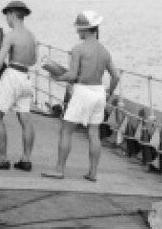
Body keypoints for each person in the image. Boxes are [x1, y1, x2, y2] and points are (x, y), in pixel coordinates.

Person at [42, 10, 120, 182]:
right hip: (99, 92)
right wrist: (109, 93)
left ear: (86, 29)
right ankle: (93, 173)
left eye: (79, 29)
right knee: (93, 133)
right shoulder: (105, 52)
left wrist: (57, 77)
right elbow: (116, 76)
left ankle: (59, 169)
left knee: (66, 130)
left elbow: (71, 75)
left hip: (83, 91)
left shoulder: (78, 49)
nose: (77, 31)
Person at [0, 1, 37, 171]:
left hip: (12, 75)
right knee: (25, 120)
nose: (6, 19)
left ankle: (2, 158)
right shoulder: (31, 36)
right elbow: (33, 60)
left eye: (7, 15)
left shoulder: (11, 35)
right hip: (26, 77)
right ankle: (26, 160)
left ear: (12, 14)